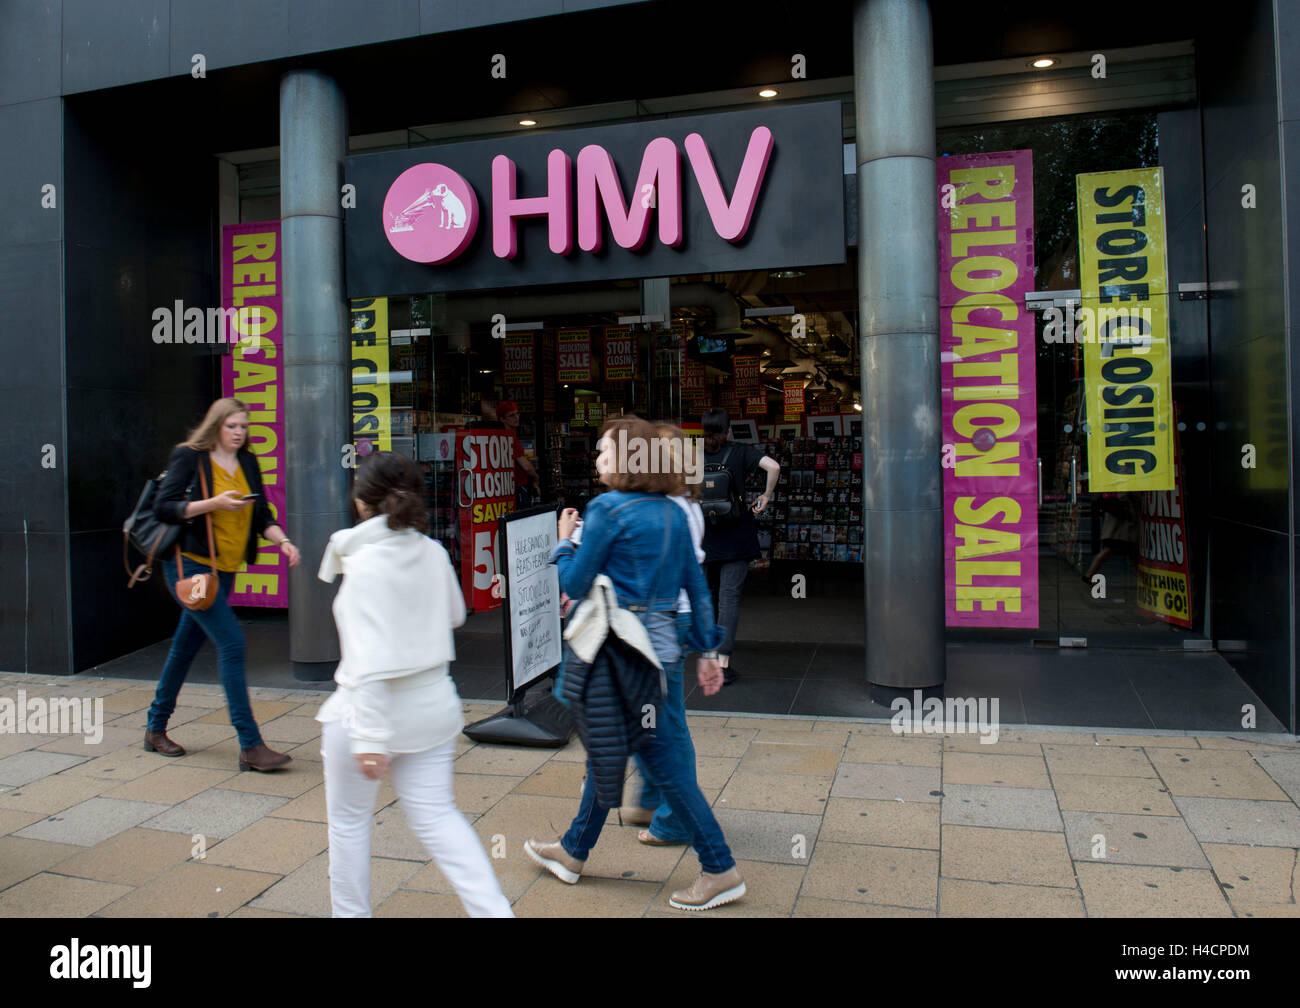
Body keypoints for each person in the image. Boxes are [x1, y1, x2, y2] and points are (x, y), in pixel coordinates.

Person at [525, 417, 746, 912]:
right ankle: (573, 851)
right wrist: (710, 651)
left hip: (621, 656)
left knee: (660, 763)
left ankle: (720, 868)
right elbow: (696, 586)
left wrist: (563, 543)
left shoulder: (606, 509)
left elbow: (577, 584)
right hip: (661, 650)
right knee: (608, 753)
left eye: (604, 451)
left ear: (626, 460)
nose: (598, 458)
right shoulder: (674, 511)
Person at [316, 451, 513, 918]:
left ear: (362, 503)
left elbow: (367, 661)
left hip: (364, 713)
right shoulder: (433, 551)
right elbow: (455, 615)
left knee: (349, 824)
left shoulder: (361, 564)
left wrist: (370, 737)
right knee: (439, 818)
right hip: (433, 708)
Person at [146, 397, 300, 771]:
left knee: (185, 647)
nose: (239, 433)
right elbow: (163, 507)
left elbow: (261, 512)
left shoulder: (247, 461)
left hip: (224, 569)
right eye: (232, 426)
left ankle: (155, 728)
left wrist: (282, 541)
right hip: (190, 567)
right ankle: (251, 746)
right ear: (216, 426)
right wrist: (212, 503)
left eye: (244, 427)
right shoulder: (189, 456)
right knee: (232, 643)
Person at [621, 423, 707, 847]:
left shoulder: (669, 509)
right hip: (671, 619)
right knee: (650, 715)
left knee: (667, 722)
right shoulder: (684, 505)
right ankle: (653, 797)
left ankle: (675, 817)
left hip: (663, 621)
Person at [700, 407, 780, 684]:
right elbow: (774, 467)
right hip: (736, 532)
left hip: (703, 534)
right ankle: (723, 665)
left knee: (706, 597)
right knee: (728, 598)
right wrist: (766, 495)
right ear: (728, 429)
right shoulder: (741, 451)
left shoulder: (691, 454)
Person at [497, 400, 540, 506]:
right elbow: (526, 467)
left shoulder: (504, 437)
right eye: (511, 415)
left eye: (517, 413)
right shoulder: (510, 438)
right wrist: (536, 478)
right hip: (518, 488)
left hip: (509, 489)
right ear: (502, 419)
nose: (516, 417)